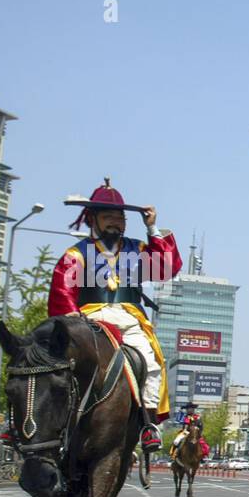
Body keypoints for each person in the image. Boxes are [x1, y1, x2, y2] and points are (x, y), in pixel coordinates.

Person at [50, 178, 182, 451]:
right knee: (51, 362)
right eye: (108, 216)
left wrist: (152, 227)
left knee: (152, 360)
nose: (116, 222)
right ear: (92, 219)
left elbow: (166, 268)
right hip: (88, 318)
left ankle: (148, 423)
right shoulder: (77, 254)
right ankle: (47, 421)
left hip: (130, 318)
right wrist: (72, 320)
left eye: (120, 217)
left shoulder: (137, 249)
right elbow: (63, 291)